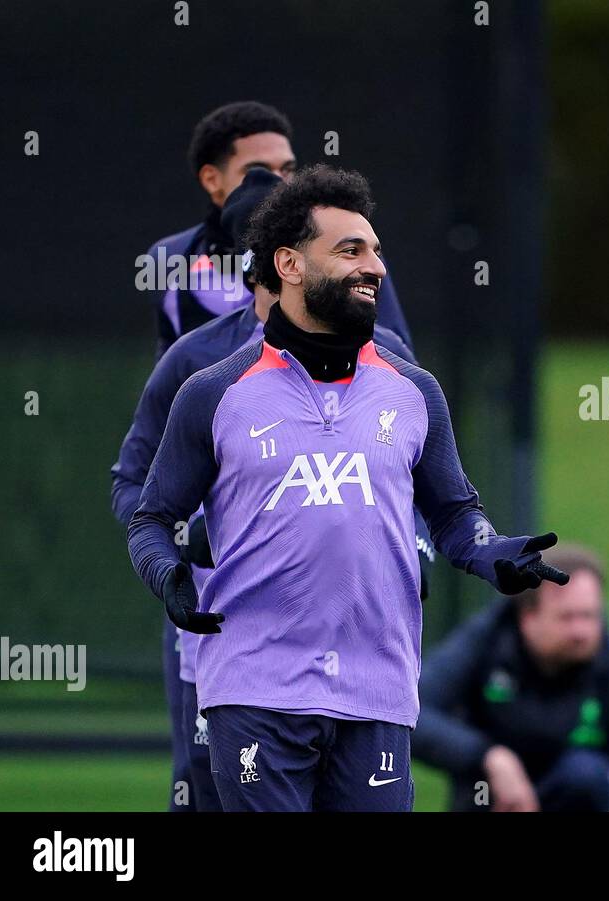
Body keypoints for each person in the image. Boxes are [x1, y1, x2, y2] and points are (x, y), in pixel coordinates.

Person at [127, 165, 565, 812]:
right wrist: (167, 572)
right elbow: (150, 518)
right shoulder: (212, 390)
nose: (375, 267)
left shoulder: (415, 388)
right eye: (350, 250)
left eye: (377, 251)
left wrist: (493, 550)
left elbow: (453, 513)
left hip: (378, 690)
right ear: (290, 264)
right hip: (254, 688)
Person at [111, 166, 425, 811]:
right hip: (224, 633)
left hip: (359, 656)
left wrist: (419, 542)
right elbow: (136, 488)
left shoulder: (382, 351)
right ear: (272, 265)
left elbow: (405, 463)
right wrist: (185, 551)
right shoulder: (199, 365)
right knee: (201, 788)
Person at [411, 545, 609, 812]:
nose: (581, 631)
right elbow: (414, 710)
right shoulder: (486, 641)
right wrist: (488, 756)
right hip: (495, 801)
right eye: (567, 617)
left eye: (590, 616)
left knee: (586, 776)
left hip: (580, 796)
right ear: (527, 617)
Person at [145, 100, 411, 357]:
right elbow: (170, 376)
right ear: (212, 179)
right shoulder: (171, 257)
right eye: (257, 170)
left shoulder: (347, 254)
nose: (276, 183)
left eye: (287, 169)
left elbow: (394, 360)